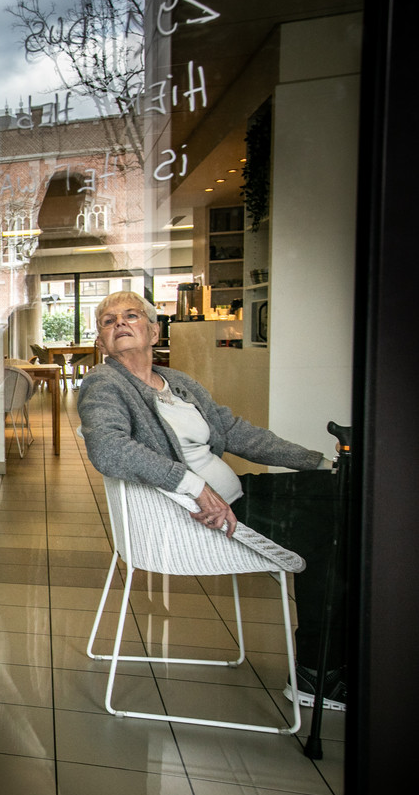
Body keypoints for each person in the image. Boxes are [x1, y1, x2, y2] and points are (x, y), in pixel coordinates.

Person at [77, 291, 343, 711]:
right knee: (333, 532)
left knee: (342, 492)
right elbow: (108, 449)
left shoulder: (178, 382)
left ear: (154, 330)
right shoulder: (104, 385)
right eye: (109, 321)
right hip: (196, 518)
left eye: (131, 315)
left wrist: (320, 462)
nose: (120, 324)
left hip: (236, 496)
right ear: (101, 342)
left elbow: (239, 433)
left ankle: (338, 656)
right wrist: (194, 485)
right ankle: (318, 672)